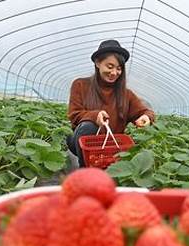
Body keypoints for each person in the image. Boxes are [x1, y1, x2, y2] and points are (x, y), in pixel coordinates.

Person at [66, 39, 155, 167]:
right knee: (88, 126)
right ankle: (86, 170)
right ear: (97, 63)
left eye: (119, 68)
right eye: (110, 66)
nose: (114, 73)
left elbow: (145, 111)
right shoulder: (80, 85)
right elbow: (74, 114)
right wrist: (95, 117)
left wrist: (146, 117)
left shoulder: (126, 94)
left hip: (111, 147)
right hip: (83, 144)